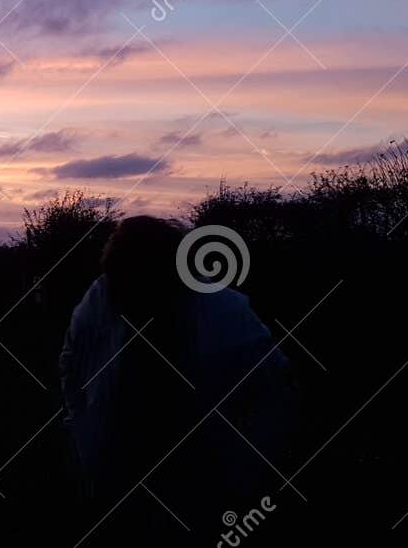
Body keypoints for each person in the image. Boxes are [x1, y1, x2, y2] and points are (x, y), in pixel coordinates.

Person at [59, 216, 291, 521]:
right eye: (124, 276)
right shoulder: (100, 304)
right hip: (122, 472)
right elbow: (73, 366)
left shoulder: (225, 316)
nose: (134, 289)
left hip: (209, 481)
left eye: (144, 275)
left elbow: (272, 391)